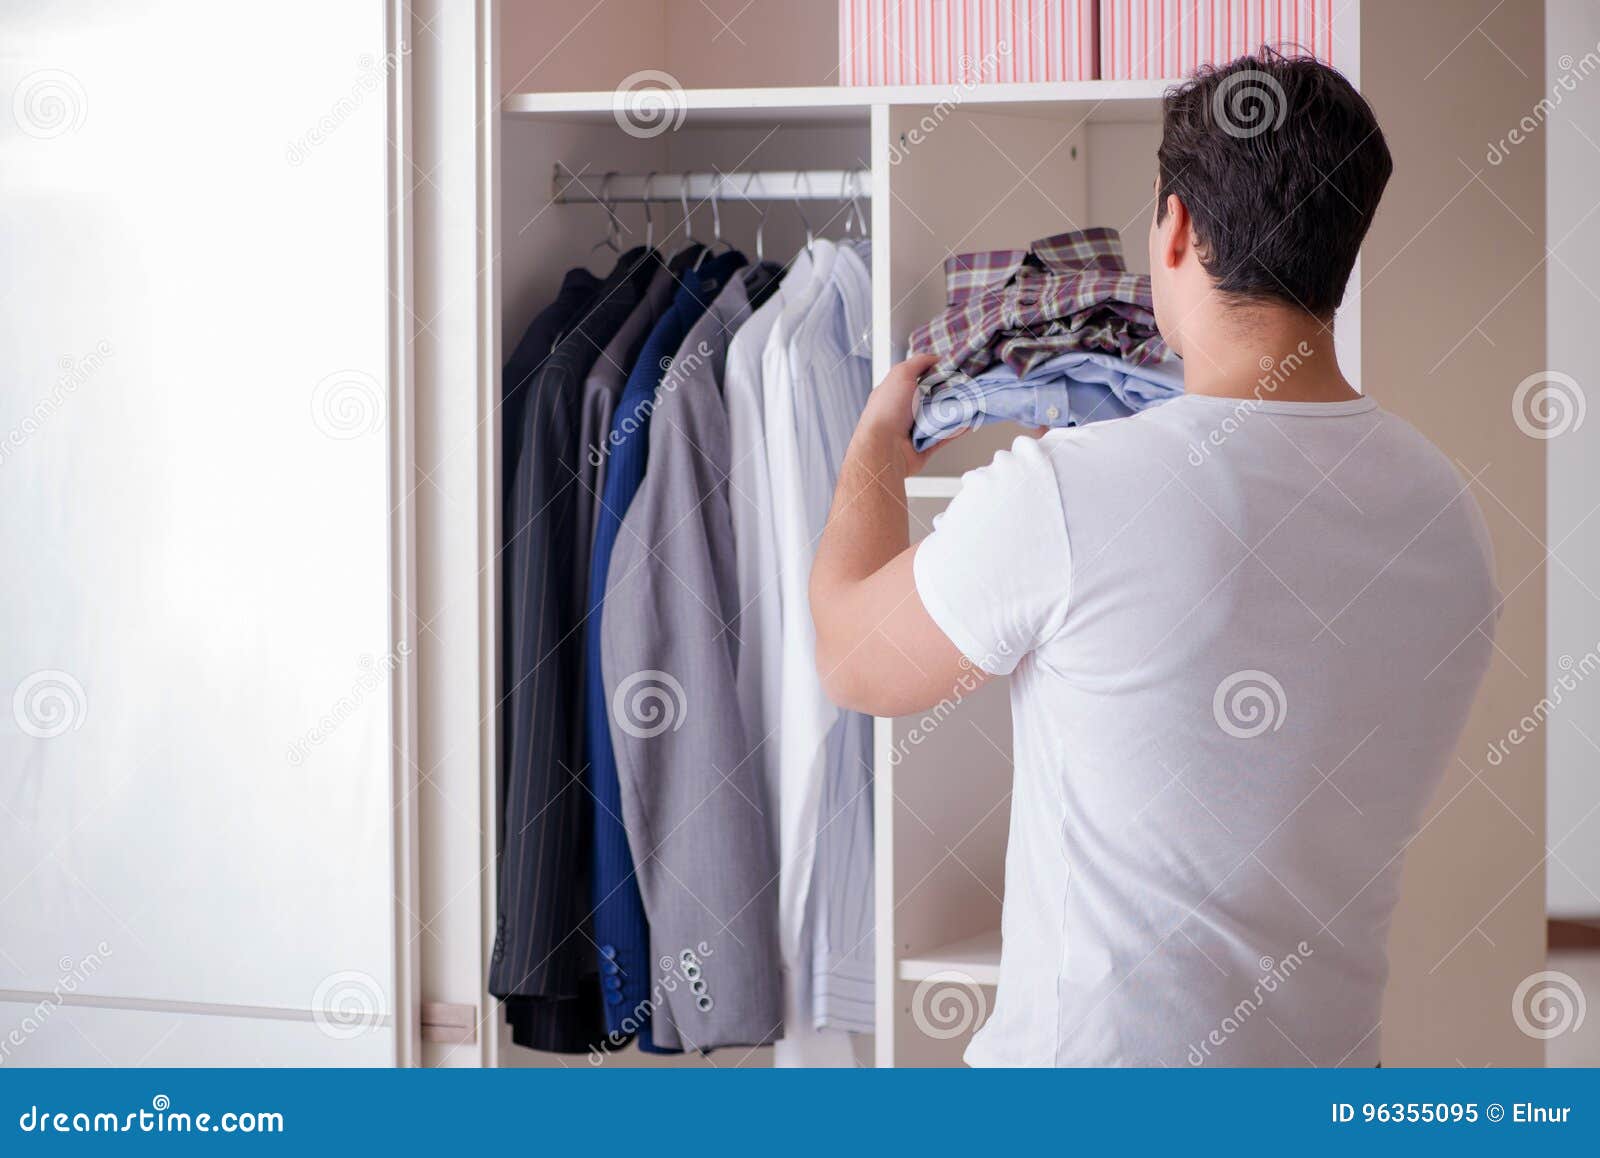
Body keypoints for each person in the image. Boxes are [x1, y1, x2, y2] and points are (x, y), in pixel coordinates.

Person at [809, 49, 1500, 1067]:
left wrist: (872, 450)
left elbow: (853, 660)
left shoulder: (1070, 493)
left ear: (1175, 227)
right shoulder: (1447, 511)